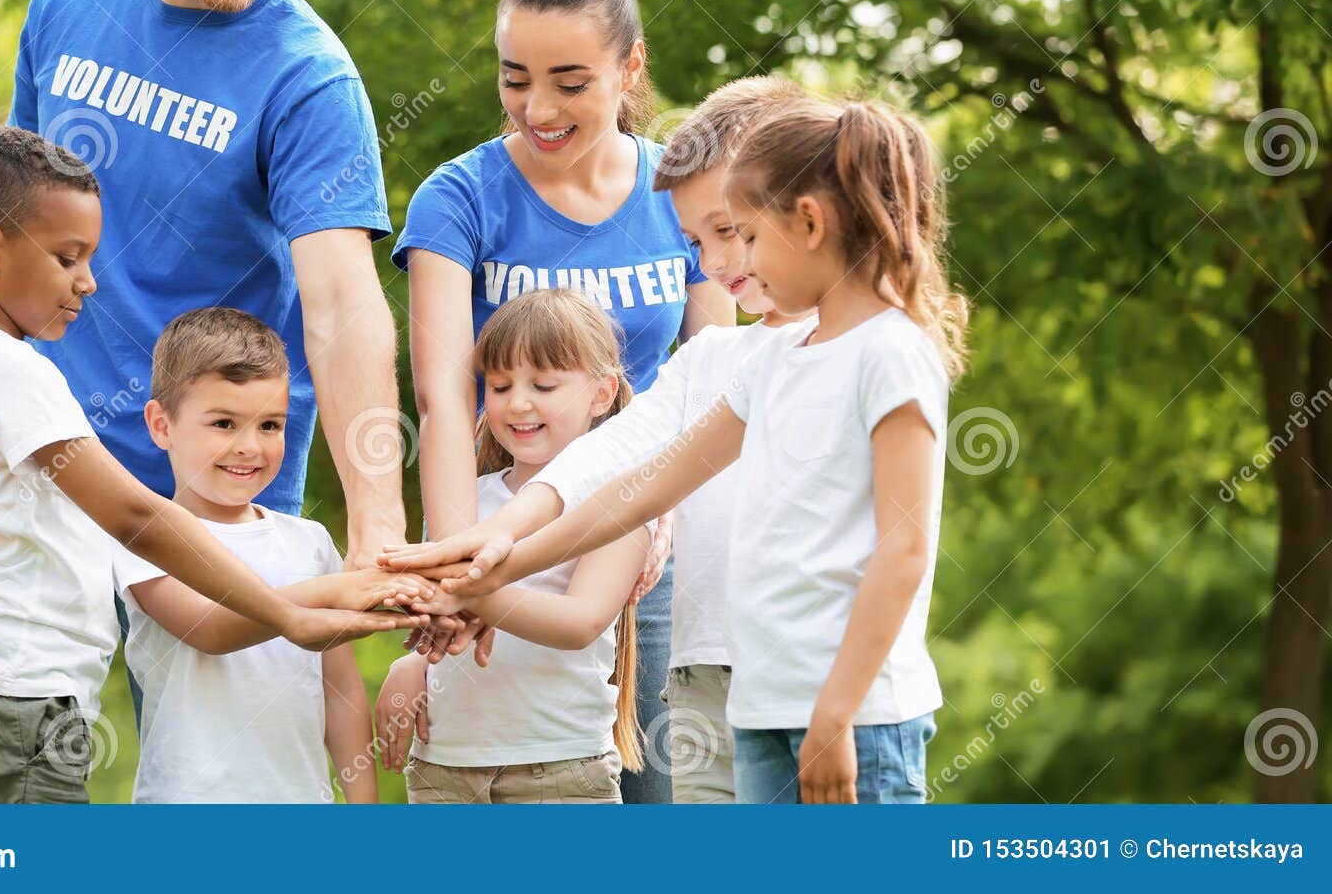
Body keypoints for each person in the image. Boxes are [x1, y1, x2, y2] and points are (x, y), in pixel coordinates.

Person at [424, 91, 968, 804]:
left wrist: (836, 712)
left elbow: (904, 549)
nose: (719, 263)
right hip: (758, 710)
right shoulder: (761, 362)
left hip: (855, 713)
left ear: (806, 221)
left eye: (741, 233)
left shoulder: (890, 354)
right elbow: (636, 483)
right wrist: (495, 562)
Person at [0, 128, 409, 804]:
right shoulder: (11, 371)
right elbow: (132, 514)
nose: (89, 281)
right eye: (68, 258)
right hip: (15, 704)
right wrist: (286, 610)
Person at [6, 0, 405, 564]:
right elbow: (7, 240)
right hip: (48, 465)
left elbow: (341, 304)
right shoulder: (65, 9)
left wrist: (377, 531)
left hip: (217, 498)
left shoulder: (308, 76)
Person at [383, 77, 809, 801]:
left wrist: (482, 584)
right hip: (707, 674)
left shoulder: (852, 352)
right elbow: (618, 459)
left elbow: (642, 496)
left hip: (801, 678)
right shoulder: (708, 365)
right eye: (697, 242)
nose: (708, 263)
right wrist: (476, 570)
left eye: (728, 233)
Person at [114, 307, 432, 803]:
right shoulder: (149, 537)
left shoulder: (309, 542)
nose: (249, 447)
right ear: (162, 425)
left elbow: (340, 691)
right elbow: (210, 629)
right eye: (223, 423)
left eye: (270, 425)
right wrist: (336, 591)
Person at [376, 290, 649, 803]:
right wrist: (410, 665)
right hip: (444, 768)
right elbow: (439, 620)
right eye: (500, 386)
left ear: (601, 393)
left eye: (543, 385)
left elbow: (580, 622)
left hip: (560, 769)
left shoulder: (622, 503)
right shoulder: (466, 499)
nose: (517, 403)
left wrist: (471, 594)